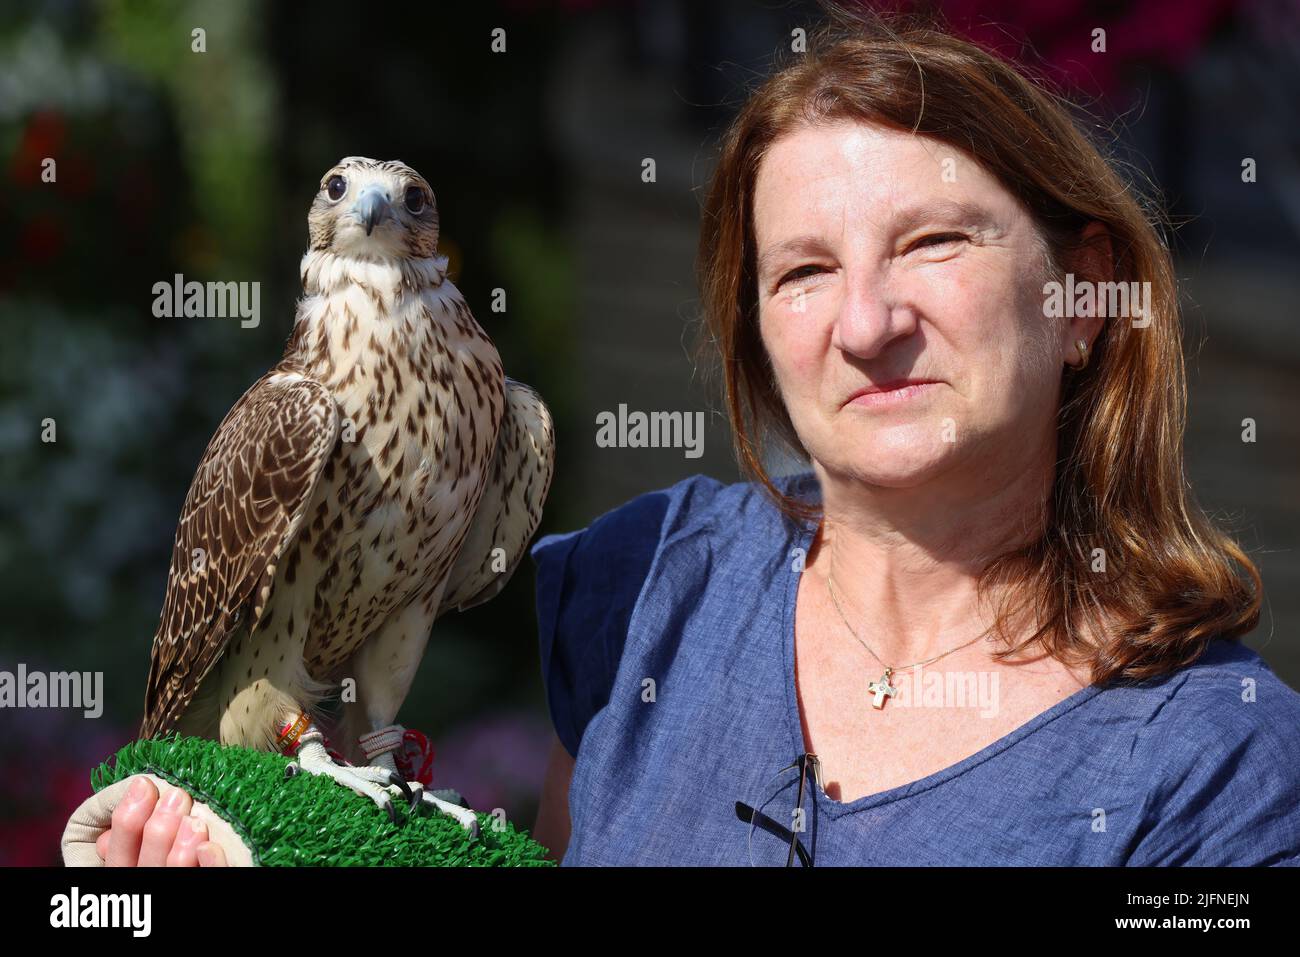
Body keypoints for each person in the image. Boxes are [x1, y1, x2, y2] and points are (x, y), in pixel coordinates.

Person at [85, 11, 1300, 867]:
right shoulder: (655, 589)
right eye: (804, 272)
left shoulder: (1216, 767)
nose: (867, 322)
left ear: (1081, 298)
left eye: (934, 244)